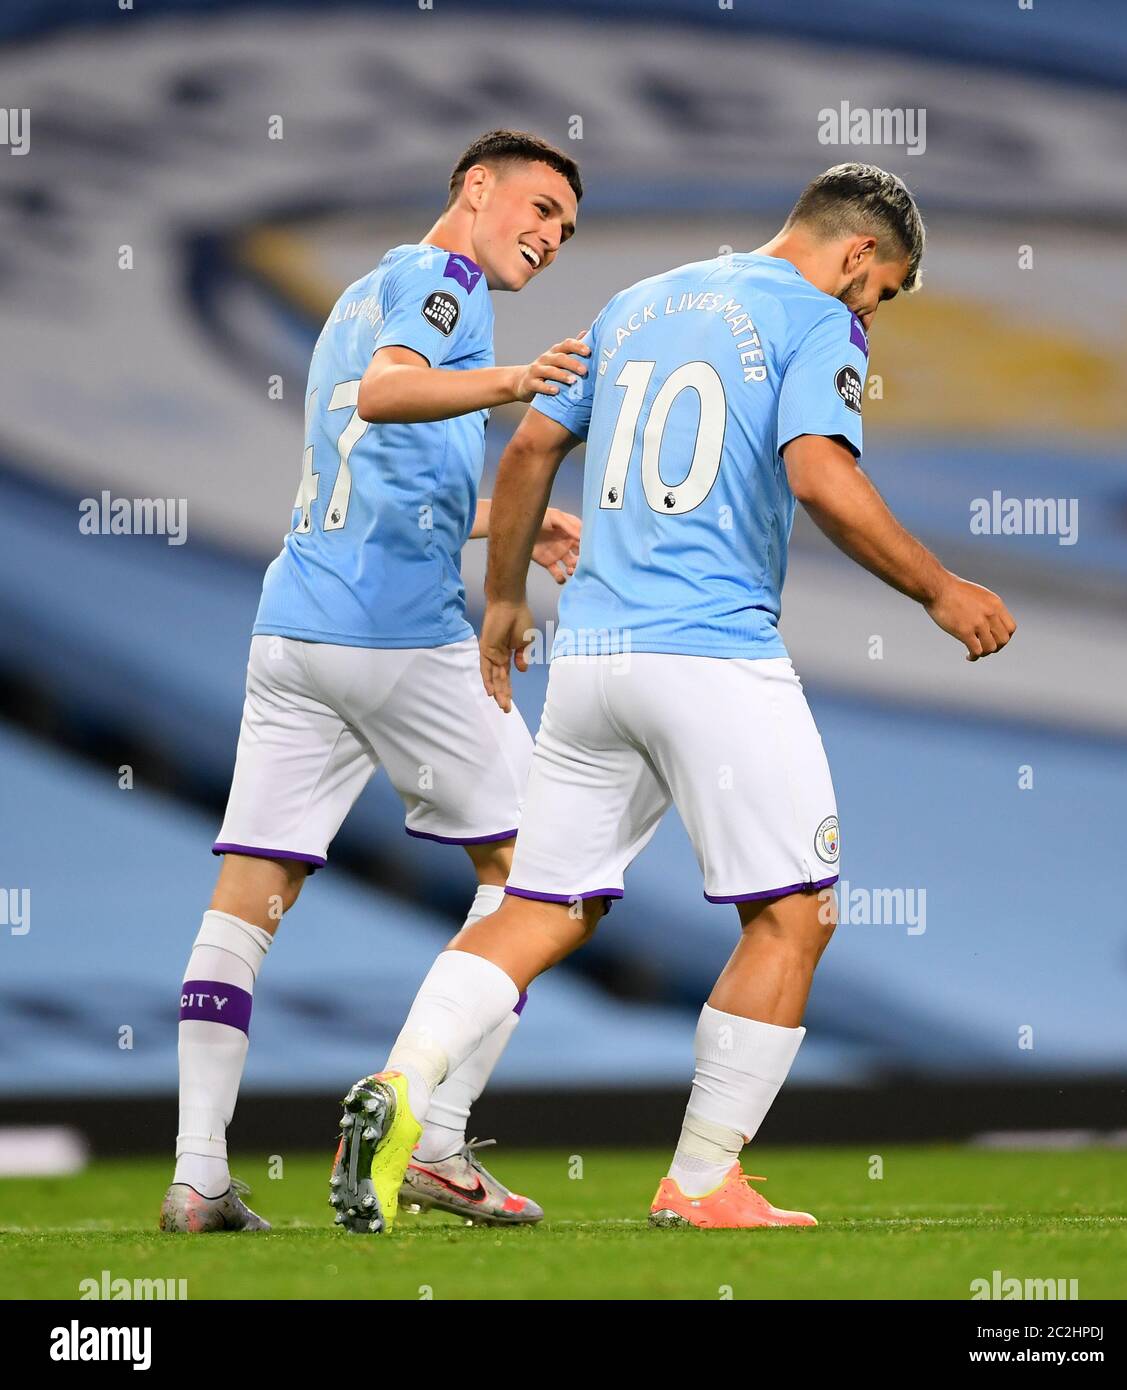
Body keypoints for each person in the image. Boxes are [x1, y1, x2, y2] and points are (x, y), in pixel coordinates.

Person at [332, 162, 1015, 1234]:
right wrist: (938, 587)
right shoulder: (817, 321)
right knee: (793, 914)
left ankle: (398, 1089)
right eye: (877, 291)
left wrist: (504, 599)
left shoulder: (635, 302)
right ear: (855, 255)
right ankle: (701, 1181)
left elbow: (529, 450)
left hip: (591, 659)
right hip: (710, 656)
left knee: (538, 906)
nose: (869, 313)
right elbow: (817, 474)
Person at [161, 130, 590, 1233]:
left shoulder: (367, 289)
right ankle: (434, 1137)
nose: (546, 236)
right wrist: (513, 380)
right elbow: (390, 394)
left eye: (564, 227)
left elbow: (387, 477)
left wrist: (514, 520)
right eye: (536, 207)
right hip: (396, 638)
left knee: (251, 893)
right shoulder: (441, 283)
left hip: (297, 625)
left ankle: (197, 1175)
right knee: (546, 879)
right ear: (472, 189)